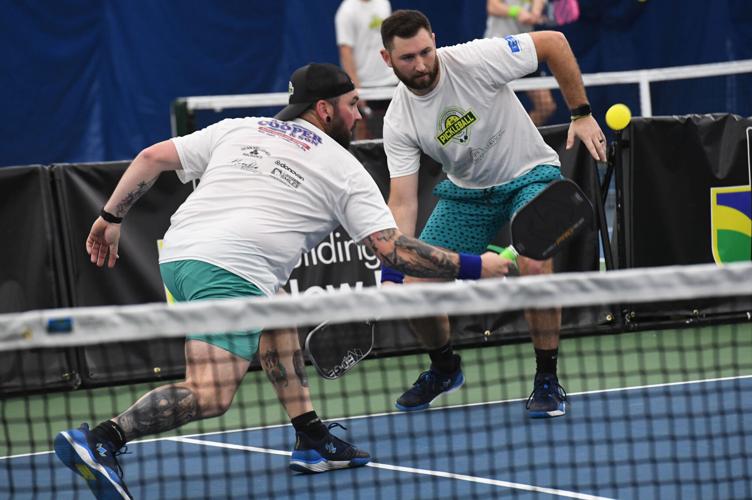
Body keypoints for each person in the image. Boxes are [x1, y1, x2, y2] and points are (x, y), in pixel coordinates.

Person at [53, 62, 514, 499]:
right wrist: (476, 267)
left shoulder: (241, 126)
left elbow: (152, 156)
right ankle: (102, 440)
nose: (361, 113)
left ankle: (311, 437)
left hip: (180, 255)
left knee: (276, 313)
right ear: (325, 109)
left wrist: (111, 217)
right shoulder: (344, 167)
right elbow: (392, 248)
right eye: (353, 104)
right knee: (210, 393)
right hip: (230, 268)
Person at [377, 10, 606, 417]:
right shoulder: (398, 119)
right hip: (466, 195)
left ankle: (547, 379)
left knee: (535, 264)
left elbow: (554, 42)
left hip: (527, 174)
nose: (422, 65)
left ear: (434, 39)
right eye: (408, 58)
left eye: (426, 52)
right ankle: (445, 367)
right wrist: (395, 270)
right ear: (387, 59)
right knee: (414, 288)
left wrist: (581, 113)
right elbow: (404, 201)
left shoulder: (475, 58)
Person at [485, 0, 557, 126]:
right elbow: (492, 6)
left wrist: (534, 14)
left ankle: (522, 136)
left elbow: (537, 5)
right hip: (498, 51)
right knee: (495, 111)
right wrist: (517, 12)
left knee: (546, 105)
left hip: (523, 50)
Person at [335, 0, 397, 139]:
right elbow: (345, 53)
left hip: (392, 83)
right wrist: (356, 89)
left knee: (397, 135)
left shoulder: (384, 3)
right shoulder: (346, 12)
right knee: (364, 139)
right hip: (366, 88)